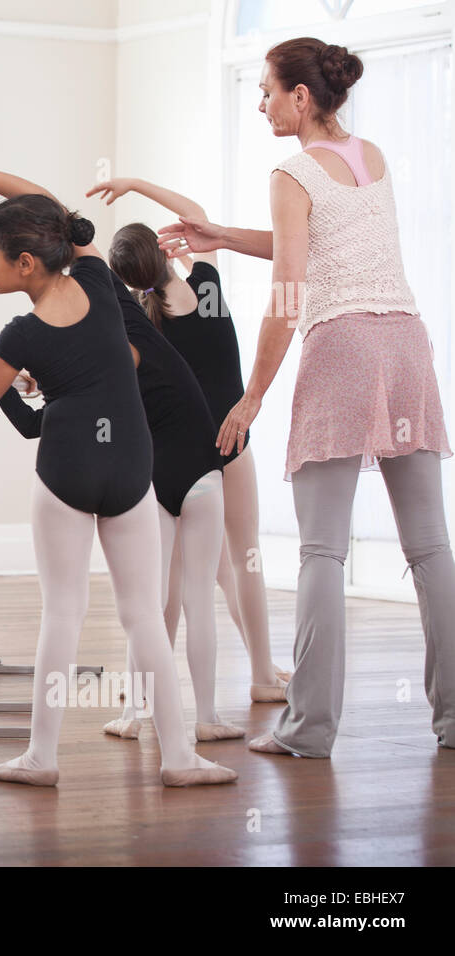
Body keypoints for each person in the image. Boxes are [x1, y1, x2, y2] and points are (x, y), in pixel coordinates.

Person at [160, 37, 455, 757]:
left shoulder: (291, 170)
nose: (260, 103)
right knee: (430, 548)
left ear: (300, 95)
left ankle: (310, 728)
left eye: (266, 90)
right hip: (407, 341)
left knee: (322, 549)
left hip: (345, 344)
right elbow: (327, 241)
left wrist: (250, 396)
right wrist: (221, 236)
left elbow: (290, 291)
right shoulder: (372, 156)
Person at [0, 162, 237, 787]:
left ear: (26, 263)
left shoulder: (21, 332)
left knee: (63, 613)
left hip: (66, 466)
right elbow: (49, 205)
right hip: (132, 467)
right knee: (144, 615)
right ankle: (180, 757)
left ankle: (42, 756)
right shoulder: (96, 276)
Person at [89, 175, 290, 703]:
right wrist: (134, 183)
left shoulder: (141, 323)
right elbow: (197, 211)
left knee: (176, 581)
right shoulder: (207, 288)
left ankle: (147, 697)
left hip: (178, 457)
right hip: (231, 441)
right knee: (242, 560)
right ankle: (263, 675)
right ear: (164, 253)